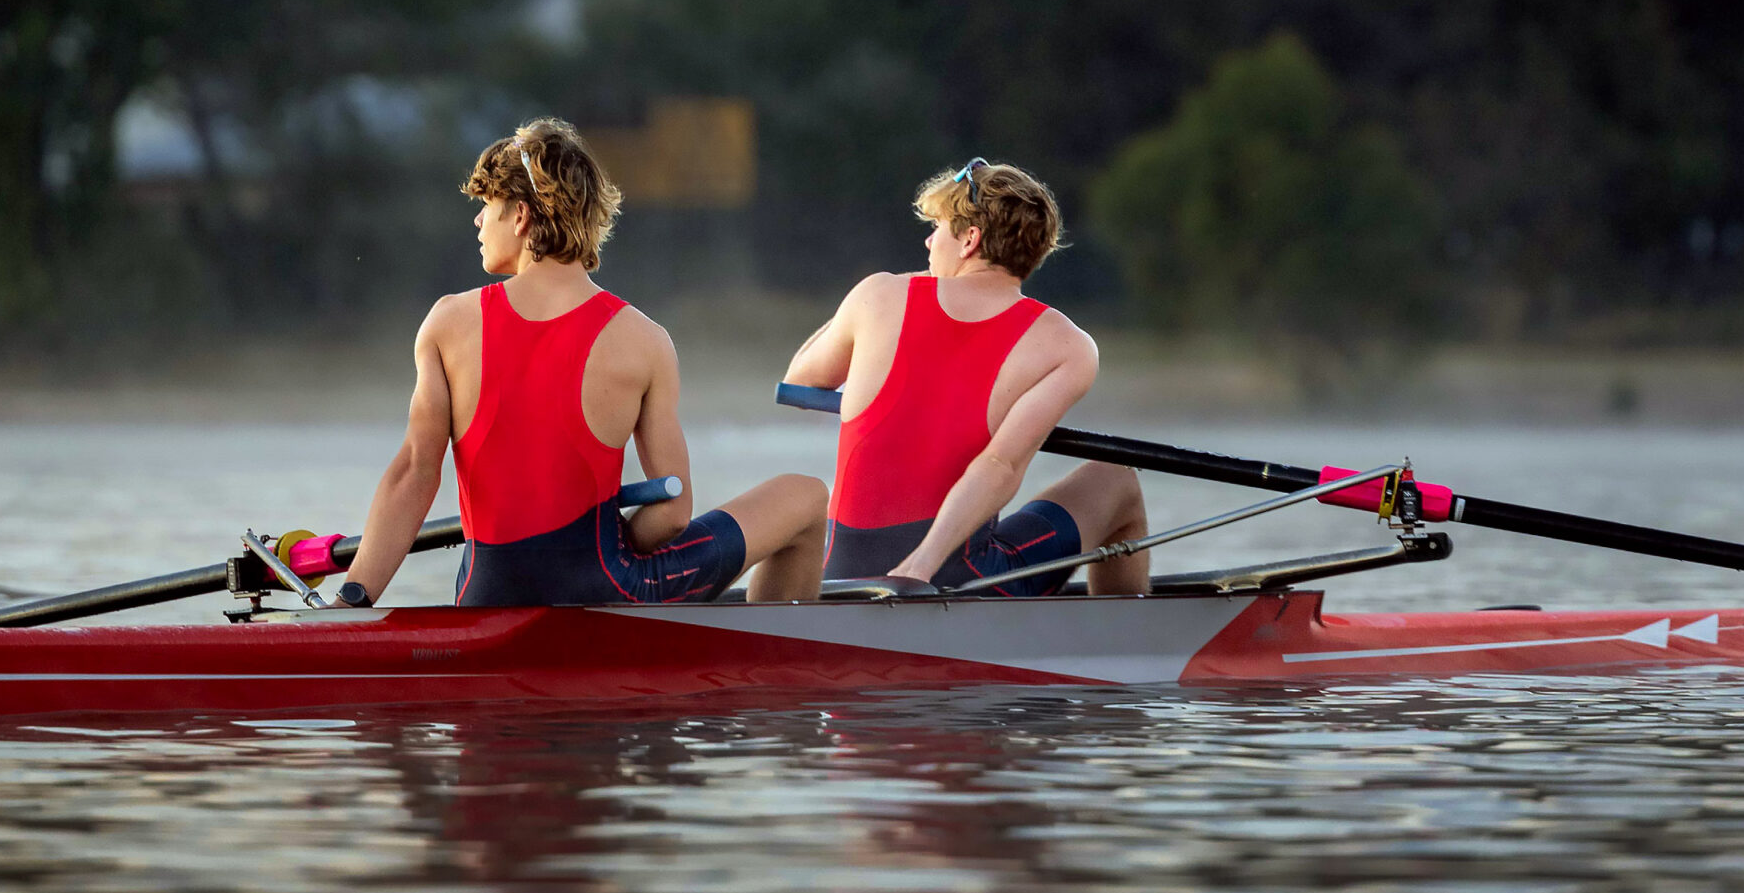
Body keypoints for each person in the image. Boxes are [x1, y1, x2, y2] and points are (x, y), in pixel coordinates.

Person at [330, 117, 825, 609]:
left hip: (487, 598)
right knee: (806, 496)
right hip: (607, 592)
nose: (478, 221)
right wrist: (599, 547)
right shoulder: (645, 340)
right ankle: (769, 658)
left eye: (488, 206)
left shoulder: (447, 323)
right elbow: (673, 515)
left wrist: (353, 599)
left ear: (520, 216)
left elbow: (415, 474)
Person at [782, 158, 1148, 595]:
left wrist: (895, 289)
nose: (928, 240)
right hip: (954, 579)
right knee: (1117, 479)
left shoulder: (877, 294)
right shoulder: (1068, 346)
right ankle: (1115, 645)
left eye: (937, 227)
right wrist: (918, 568)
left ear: (969, 239)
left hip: (840, 573)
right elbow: (999, 465)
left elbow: (800, 382)